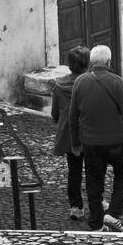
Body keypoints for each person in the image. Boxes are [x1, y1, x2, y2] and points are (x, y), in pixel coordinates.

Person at [68, 45, 123, 232]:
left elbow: (73, 116)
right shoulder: (117, 82)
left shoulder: (80, 82)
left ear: (91, 63)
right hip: (117, 142)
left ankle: (96, 223)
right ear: (109, 63)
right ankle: (112, 214)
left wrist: (75, 143)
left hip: (91, 144)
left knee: (94, 183)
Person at [51, 46, 91, 222]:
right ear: (87, 64)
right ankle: (97, 200)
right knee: (93, 169)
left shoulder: (59, 87)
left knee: (74, 171)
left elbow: (55, 114)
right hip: (90, 133)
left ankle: (76, 206)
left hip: (69, 135)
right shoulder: (90, 83)